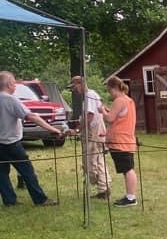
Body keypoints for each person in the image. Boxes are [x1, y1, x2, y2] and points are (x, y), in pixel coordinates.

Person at [0, 70, 63, 207]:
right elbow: (31, 116)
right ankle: (40, 200)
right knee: (27, 171)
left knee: (2, 174)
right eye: (14, 83)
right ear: (10, 84)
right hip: (11, 143)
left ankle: (9, 201)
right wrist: (53, 129)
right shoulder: (10, 99)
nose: (15, 86)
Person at [68, 75, 111, 199]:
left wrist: (77, 129)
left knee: (91, 162)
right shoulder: (92, 95)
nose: (74, 90)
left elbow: (90, 116)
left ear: (80, 84)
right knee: (98, 160)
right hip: (97, 130)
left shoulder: (89, 96)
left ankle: (103, 186)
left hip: (94, 131)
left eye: (74, 86)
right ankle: (104, 188)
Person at [102, 76, 137, 207]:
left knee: (128, 169)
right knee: (127, 169)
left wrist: (102, 111)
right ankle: (130, 196)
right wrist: (107, 110)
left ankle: (131, 198)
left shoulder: (119, 100)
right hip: (127, 139)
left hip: (120, 141)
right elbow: (118, 117)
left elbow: (110, 118)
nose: (110, 94)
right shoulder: (129, 100)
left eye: (109, 91)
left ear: (115, 88)